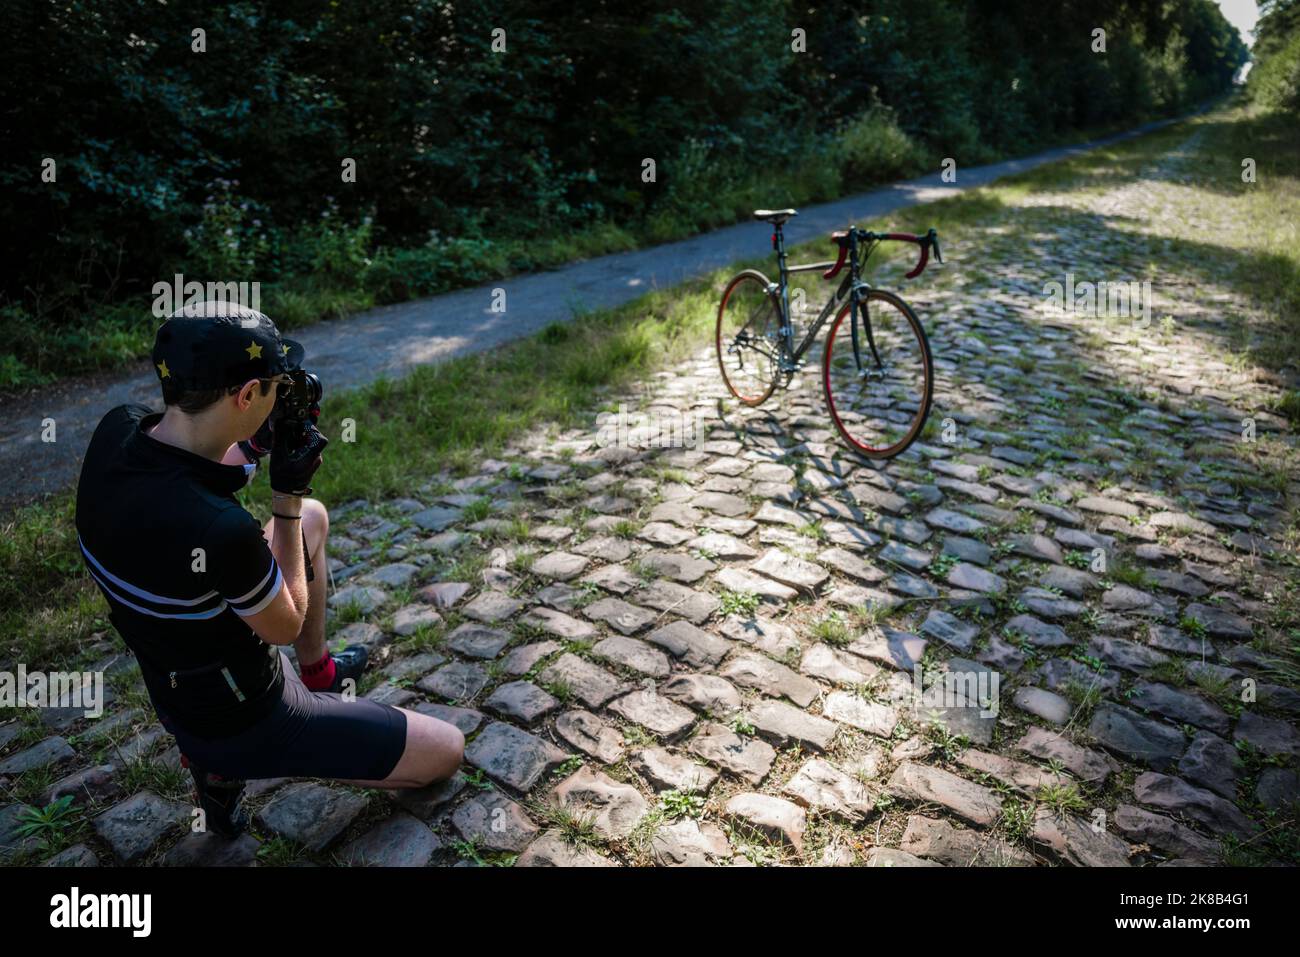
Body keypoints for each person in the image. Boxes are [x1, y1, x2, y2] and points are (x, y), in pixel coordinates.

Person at [74, 300, 464, 836]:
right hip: (248, 714)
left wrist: (257, 444)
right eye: (276, 385)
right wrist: (287, 499)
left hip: (175, 677)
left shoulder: (116, 431)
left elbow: (198, 469)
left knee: (317, 520)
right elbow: (286, 624)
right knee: (447, 751)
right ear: (246, 394)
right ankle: (227, 763)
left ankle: (320, 674)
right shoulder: (220, 531)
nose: (284, 393)